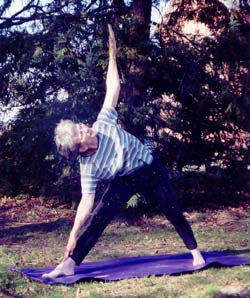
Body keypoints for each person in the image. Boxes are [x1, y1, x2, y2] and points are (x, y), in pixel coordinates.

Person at [42, 25, 205, 279]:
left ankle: (196, 253)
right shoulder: (89, 167)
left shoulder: (103, 123)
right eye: (80, 131)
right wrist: (73, 236)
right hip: (124, 179)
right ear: (81, 147)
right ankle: (70, 263)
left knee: (171, 209)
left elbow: (113, 89)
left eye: (80, 126)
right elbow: (86, 204)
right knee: (98, 217)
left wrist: (112, 56)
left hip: (149, 168)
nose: (85, 127)